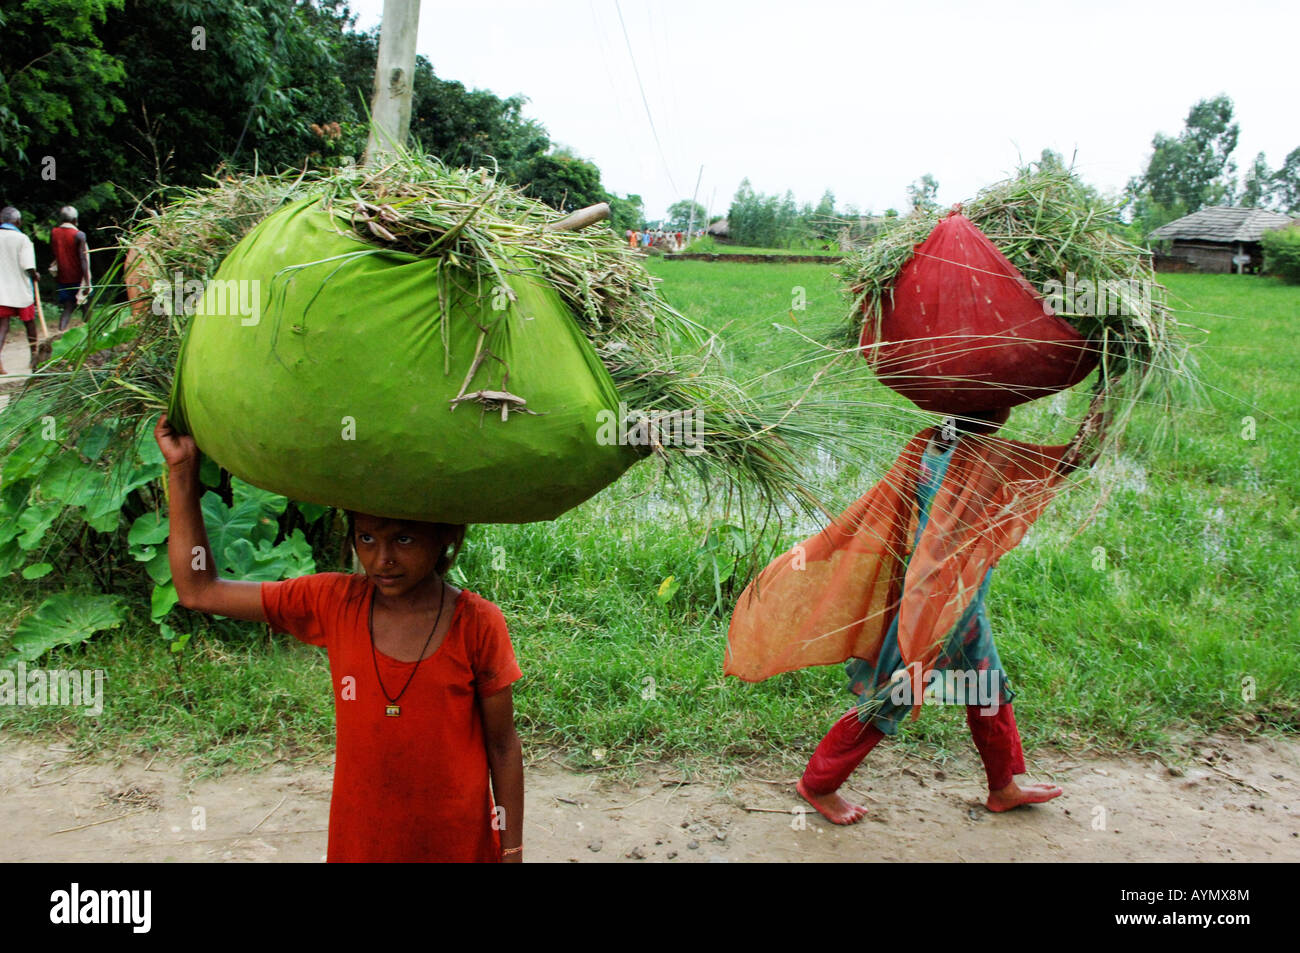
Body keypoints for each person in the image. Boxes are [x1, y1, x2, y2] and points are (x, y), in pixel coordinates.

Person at [154, 413, 525, 862]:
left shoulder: (477, 623)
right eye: (366, 537)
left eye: (404, 539)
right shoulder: (333, 601)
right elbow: (199, 590)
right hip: (362, 841)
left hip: (456, 843)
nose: (381, 559)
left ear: (445, 537)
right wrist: (181, 472)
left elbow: (503, 746)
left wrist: (511, 848)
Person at [727, 397, 1108, 824]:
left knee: (986, 685)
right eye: (1003, 403)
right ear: (990, 414)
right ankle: (818, 783)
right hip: (941, 607)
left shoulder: (930, 443)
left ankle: (1003, 786)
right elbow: (1074, 460)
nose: (1009, 412)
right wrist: (1107, 395)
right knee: (895, 692)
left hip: (943, 595)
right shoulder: (985, 456)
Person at [0, 206, 40, 376]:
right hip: (20, 290)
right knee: (29, 323)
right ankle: (35, 359)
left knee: (2, 326)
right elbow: (28, 266)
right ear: (18, 222)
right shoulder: (22, 239)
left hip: (1, 292)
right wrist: (35, 275)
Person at [49, 206, 92, 331]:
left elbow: (55, 255)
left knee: (67, 308)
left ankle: (60, 333)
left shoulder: (54, 233)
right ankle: (88, 335)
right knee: (86, 307)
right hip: (78, 277)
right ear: (74, 220)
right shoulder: (79, 235)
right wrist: (87, 282)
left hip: (63, 277)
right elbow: (83, 260)